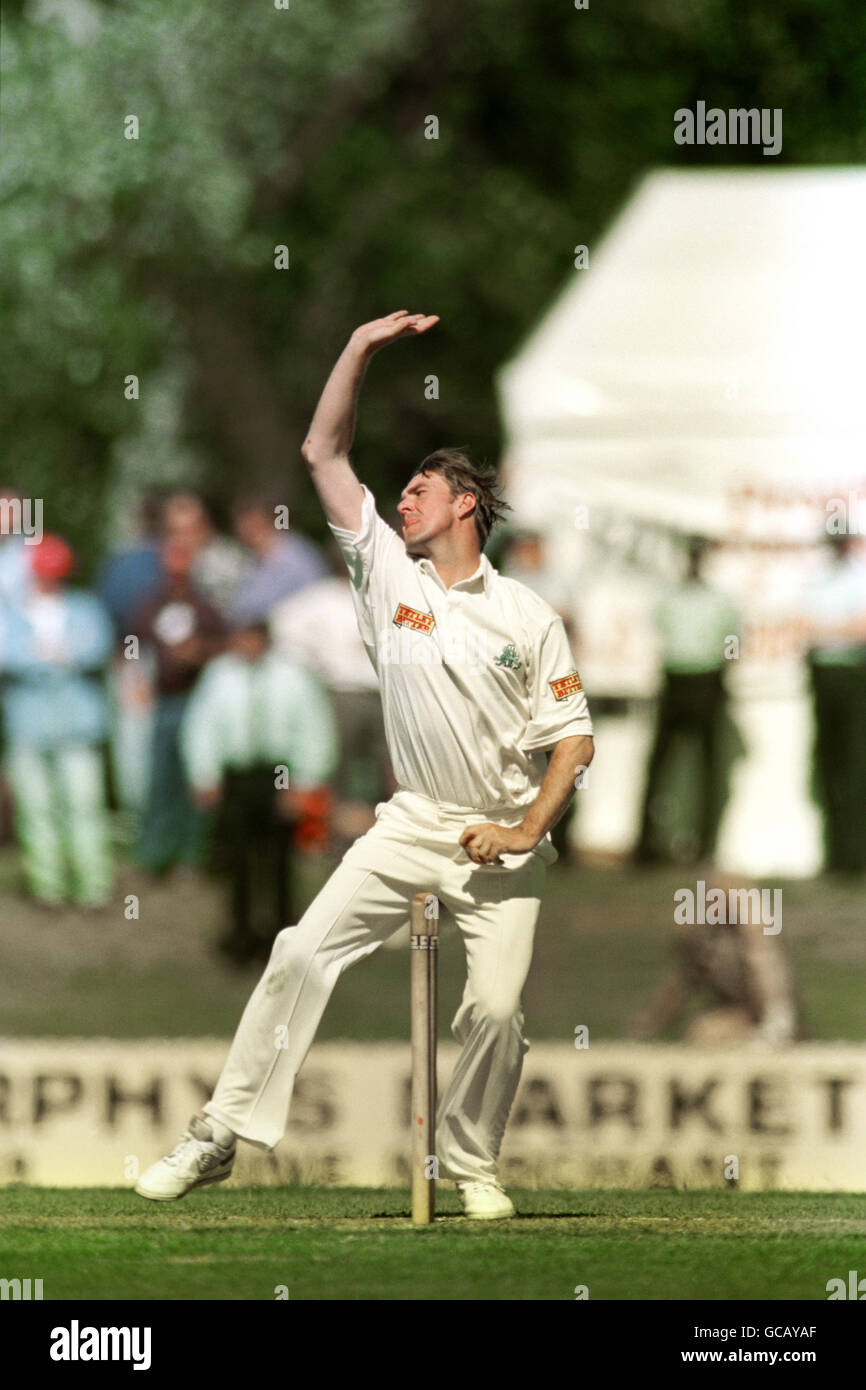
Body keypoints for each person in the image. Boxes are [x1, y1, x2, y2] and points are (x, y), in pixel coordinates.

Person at [136, 310, 594, 1220]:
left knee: (497, 1013)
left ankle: (472, 1166)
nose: (405, 500)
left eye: (422, 488)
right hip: (411, 818)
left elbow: (572, 739)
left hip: (497, 838)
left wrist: (525, 829)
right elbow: (321, 452)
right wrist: (358, 348)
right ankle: (220, 1133)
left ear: (467, 503)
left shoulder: (529, 617)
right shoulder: (388, 570)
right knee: (301, 950)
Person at [181, 618, 338, 961]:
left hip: (279, 772)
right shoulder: (220, 675)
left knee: (279, 860)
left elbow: (313, 726)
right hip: (237, 774)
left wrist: (305, 781)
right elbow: (202, 725)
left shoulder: (293, 675)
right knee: (238, 859)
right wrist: (204, 774)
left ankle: (284, 936)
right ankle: (240, 934)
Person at [0, 535, 114, 908]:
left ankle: (93, 886)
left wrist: (48, 657)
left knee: (84, 804)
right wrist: (56, 658)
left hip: (77, 725)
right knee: (36, 806)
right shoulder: (10, 613)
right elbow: (7, 657)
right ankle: (47, 886)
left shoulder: (85, 607)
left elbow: (98, 647)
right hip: (28, 725)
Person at [271, 543, 393, 849]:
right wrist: (317, 660)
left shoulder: (384, 594)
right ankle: (336, 837)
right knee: (339, 765)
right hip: (341, 693)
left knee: (388, 768)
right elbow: (282, 626)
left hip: (384, 693)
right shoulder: (319, 597)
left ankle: (386, 837)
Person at [635, 536, 740, 864]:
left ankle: (705, 845)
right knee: (658, 763)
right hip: (675, 677)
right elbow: (656, 632)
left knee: (708, 767)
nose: (694, 562)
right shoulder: (669, 596)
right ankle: (647, 842)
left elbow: (733, 642)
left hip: (707, 679)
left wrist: (723, 672)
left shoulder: (721, 600)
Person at [130, 539, 226, 876]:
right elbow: (130, 644)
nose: (175, 580)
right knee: (160, 777)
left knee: (197, 777)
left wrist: (199, 652)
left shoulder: (205, 609)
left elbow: (225, 646)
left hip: (198, 701)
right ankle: (153, 854)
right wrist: (136, 677)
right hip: (163, 702)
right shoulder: (149, 606)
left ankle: (191, 855)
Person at [800, 533, 866, 874]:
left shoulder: (860, 578)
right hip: (824, 676)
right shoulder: (817, 582)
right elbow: (804, 629)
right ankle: (836, 855)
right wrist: (837, 630)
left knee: (855, 767)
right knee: (828, 766)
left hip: (854, 677)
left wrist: (827, 632)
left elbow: (860, 630)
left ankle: (855, 856)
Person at [230, 495, 327, 625]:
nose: (247, 531)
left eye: (256, 525)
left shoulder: (298, 557)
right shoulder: (249, 560)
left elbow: (317, 600)